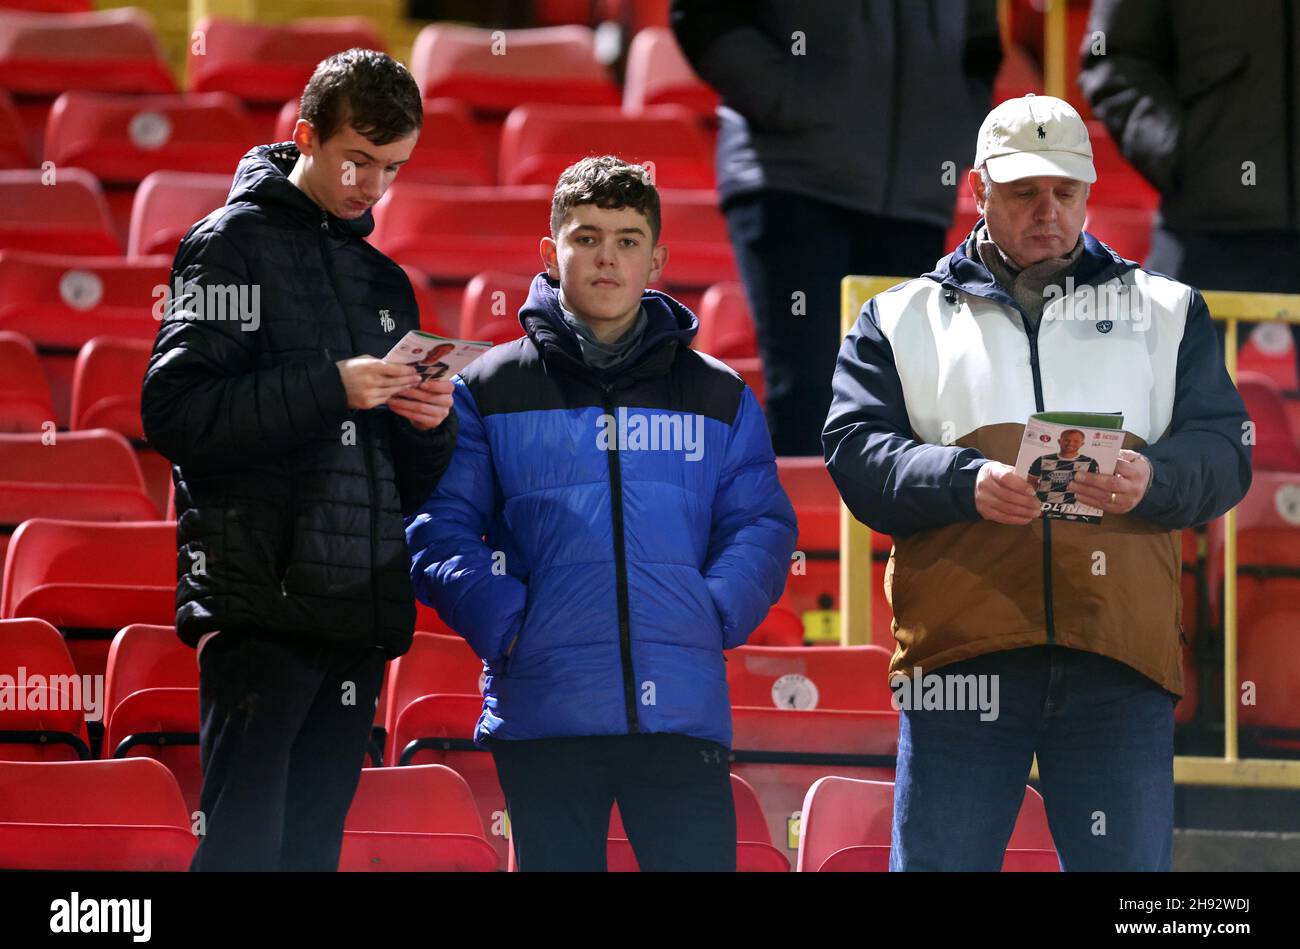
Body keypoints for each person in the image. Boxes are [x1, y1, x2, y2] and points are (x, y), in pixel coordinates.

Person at [823, 95, 1252, 871]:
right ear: (978, 190)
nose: (1048, 211)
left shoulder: (1169, 310)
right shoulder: (898, 317)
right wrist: (964, 479)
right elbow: (854, 454)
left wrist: (1152, 477)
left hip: (1118, 658)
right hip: (962, 657)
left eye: (1066, 191)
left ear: (1088, 192)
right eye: (1024, 192)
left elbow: (1226, 454)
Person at [406, 155, 798, 872]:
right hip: (544, 711)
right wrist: (508, 624)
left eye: (626, 239)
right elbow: (439, 530)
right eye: (587, 238)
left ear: (657, 260)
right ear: (552, 255)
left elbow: (761, 525)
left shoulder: (718, 393)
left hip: (681, 714)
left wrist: (708, 612)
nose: (607, 257)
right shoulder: (488, 388)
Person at [141, 49, 458, 872]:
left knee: (311, 856)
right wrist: (332, 387)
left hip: (354, 610)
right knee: (245, 852)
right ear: (304, 135)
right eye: (357, 160)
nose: (373, 188)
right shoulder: (227, 245)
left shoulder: (386, 281)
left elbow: (402, 482)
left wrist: (427, 426)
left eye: (392, 169)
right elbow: (175, 413)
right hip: (260, 607)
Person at [671, 0, 1002, 455]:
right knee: (810, 395)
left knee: (899, 402)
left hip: (915, 191)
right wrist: (786, 98)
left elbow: (979, 40)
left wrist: (957, 124)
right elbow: (704, 15)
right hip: (791, 179)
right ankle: (799, 528)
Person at [1079, 0, 1300, 375]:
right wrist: (1179, 155)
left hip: (1204, 214)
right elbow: (1113, 57)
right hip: (1204, 228)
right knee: (1161, 413)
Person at [1028, 428, 1099, 508]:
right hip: (1043, 506)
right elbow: (1031, 482)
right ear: (1059, 441)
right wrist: (1031, 500)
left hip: (1075, 508)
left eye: (1076, 441)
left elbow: (1094, 487)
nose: (1070, 443)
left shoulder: (1090, 462)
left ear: (1082, 444)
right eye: (1066, 440)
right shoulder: (1042, 460)